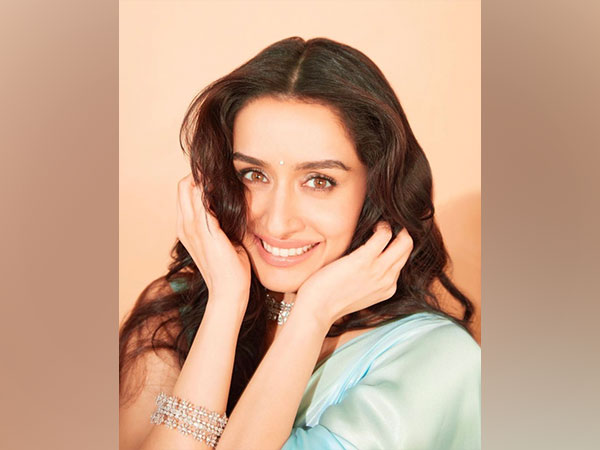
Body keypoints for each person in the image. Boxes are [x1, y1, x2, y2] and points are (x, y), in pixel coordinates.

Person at [119, 36, 481, 450]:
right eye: (253, 175)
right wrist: (225, 302)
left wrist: (311, 315)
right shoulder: (175, 312)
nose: (277, 221)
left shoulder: (433, 361)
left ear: (377, 188)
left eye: (319, 181)